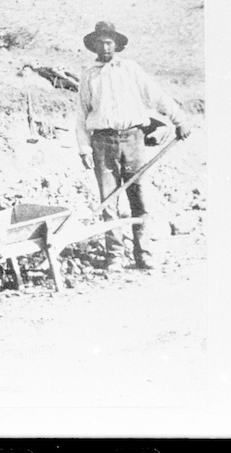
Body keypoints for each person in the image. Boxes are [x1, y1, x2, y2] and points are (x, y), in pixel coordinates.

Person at [76, 21, 191, 270]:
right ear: (94, 46)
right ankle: (115, 255)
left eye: (109, 41)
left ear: (116, 44)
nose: (105, 46)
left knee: (139, 198)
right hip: (102, 143)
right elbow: (82, 114)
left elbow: (156, 96)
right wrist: (84, 148)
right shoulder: (89, 74)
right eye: (100, 42)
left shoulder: (131, 69)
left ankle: (143, 253)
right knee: (109, 200)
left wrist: (179, 119)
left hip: (133, 139)